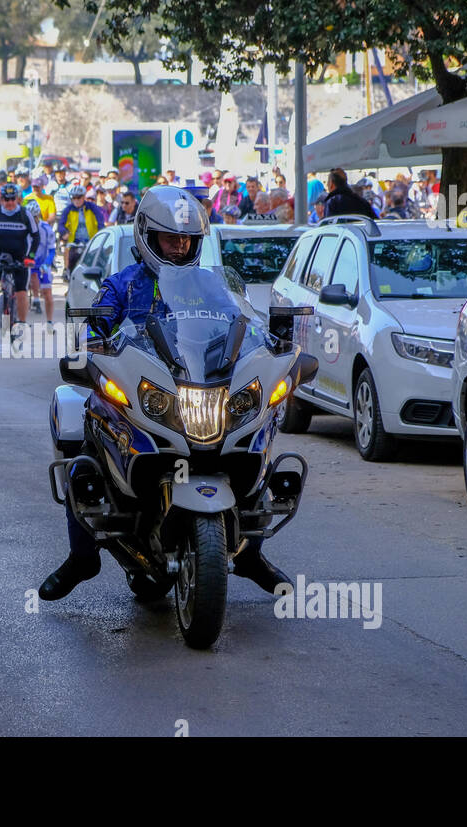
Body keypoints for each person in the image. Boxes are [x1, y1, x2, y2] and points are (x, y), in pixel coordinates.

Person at [37, 184, 290, 600]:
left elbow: (245, 327)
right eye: (170, 238)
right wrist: (90, 350)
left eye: (186, 240)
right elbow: (91, 335)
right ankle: (82, 556)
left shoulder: (211, 284)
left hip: (201, 388)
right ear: (147, 237)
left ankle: (249, 552)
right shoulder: (122, 286)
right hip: (142, 395)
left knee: (257, 434)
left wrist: (271, 348)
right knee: (83, 450)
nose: (178, 247)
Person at [0, 182, 36, 327]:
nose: (9, 203)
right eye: (6, 199)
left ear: (17, 199)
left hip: (20, 258)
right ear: (1, 199)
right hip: (1, 256)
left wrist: (31, 257)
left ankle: (21, 324)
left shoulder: (24, 214)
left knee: (21, 292)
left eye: (12, 199)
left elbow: (36, 236)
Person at [26, 202, 56, 322]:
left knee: (47, 293)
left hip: (43, 262)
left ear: (39, 215)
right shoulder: (24, 228)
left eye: (35, 217)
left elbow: (52, 250)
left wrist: (47, 263)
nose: (33, 220)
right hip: (28, 262)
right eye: (30, 218)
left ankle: (50, 321)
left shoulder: (46, 229)